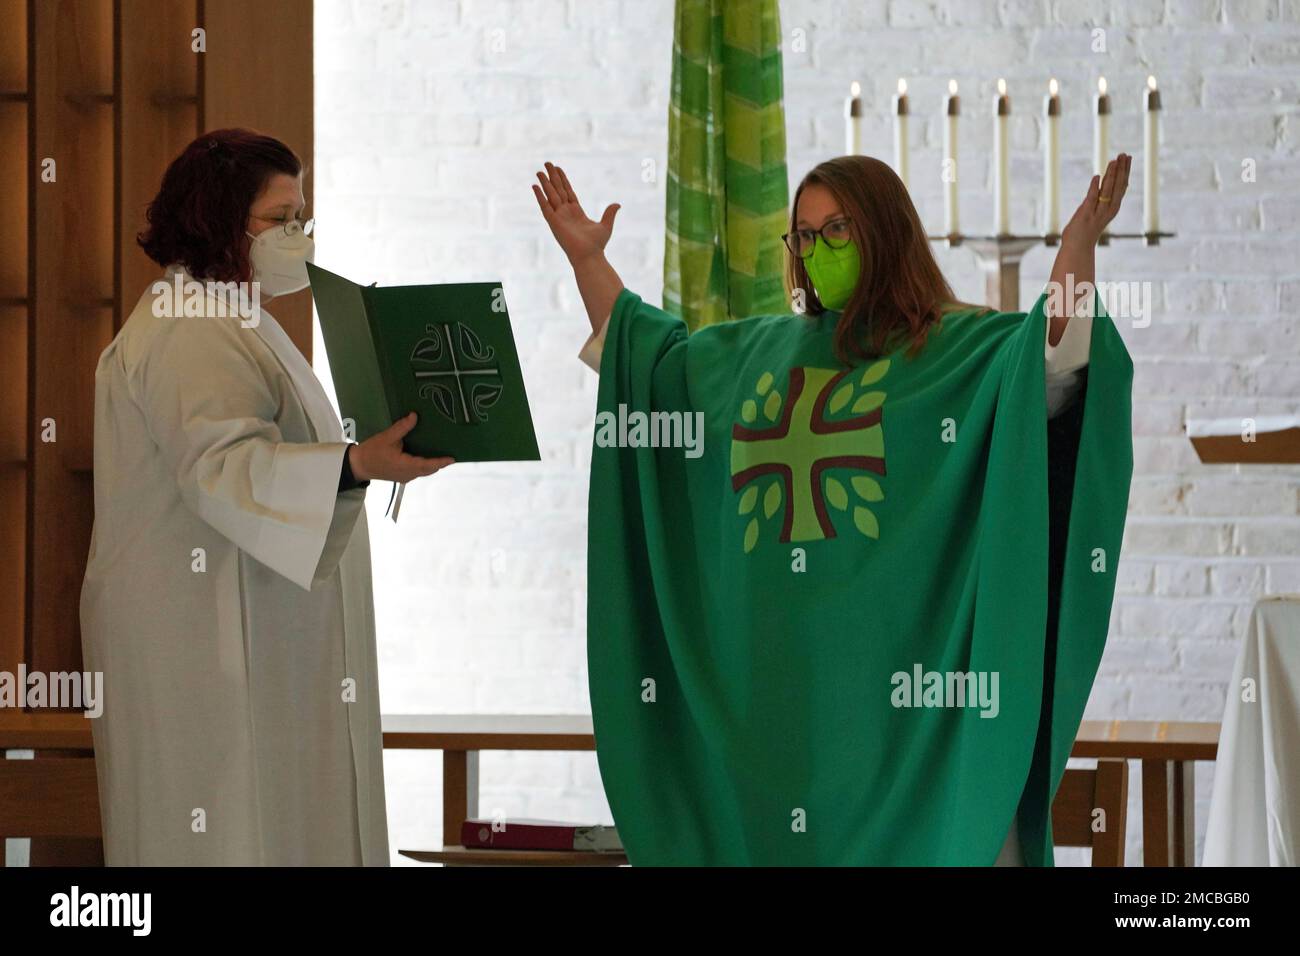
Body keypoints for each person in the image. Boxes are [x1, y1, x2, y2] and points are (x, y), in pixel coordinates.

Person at [534, 154, 1135, 865]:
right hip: (783, 710)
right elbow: (650, 369)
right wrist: (587, 263)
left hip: (912, 711)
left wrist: (1078, 248)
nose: (819, 250)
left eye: (838, 228)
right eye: (805, 235)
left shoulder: (957, 353)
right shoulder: (754, 356)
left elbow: (1057, 357)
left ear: (884, 230)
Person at [80, 129, 452, 865]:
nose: (298, 236)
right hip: (203, 636)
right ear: (220, 220)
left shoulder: (238, 320)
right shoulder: (190, 329)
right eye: (281, 219)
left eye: (301, 217)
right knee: (227, 830)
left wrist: (359, 459)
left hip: (265, 630)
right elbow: (222, 466)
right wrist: (351, 465)